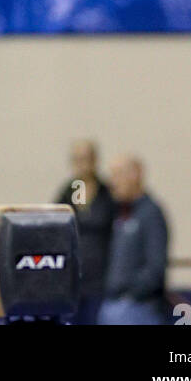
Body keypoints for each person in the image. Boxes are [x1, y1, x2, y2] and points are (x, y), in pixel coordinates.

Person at [97, 155, 170, 325]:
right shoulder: (119, 213)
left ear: (135, 175)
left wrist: (129, 294)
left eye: (117, 175)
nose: (112, 183)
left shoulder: (151, 214)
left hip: (137, 309)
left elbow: (156, 266)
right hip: (111, 304)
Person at [53, 139, 115, 325]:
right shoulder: (70, 191)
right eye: (77, 160)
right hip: (73, 278)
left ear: (95, 160)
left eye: (85, 159)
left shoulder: (107, 193)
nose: (81, 164)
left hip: (101, 277)